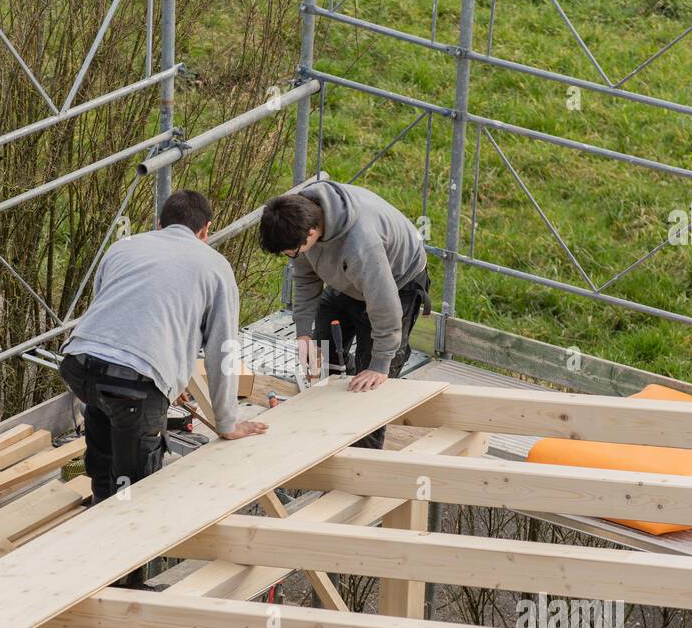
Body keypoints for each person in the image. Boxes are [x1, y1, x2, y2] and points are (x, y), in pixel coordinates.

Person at [61, 189, 267, 506]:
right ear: (206, 230)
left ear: (160, 223)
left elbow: (113, 319)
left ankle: (100, 509)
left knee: (104, 454)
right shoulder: (215, 267)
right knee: (136, 491)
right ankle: (129, 543)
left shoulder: (123, 247)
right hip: (133, 387)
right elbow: (222, 351)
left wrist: (167, 382)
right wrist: (226, 423)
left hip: (79, 365)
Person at [258, 179, 430, 448]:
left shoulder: (362, 243)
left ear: (313, 232)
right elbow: (305, 279)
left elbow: (384, 304)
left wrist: (380, 364)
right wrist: (303, 332)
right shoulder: (297, 218)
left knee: (371, 386)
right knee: (324, 348)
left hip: (397, 283)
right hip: (347, 280)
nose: (292, 256)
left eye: (292, 251)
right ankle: (333, 413)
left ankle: (363, 461)